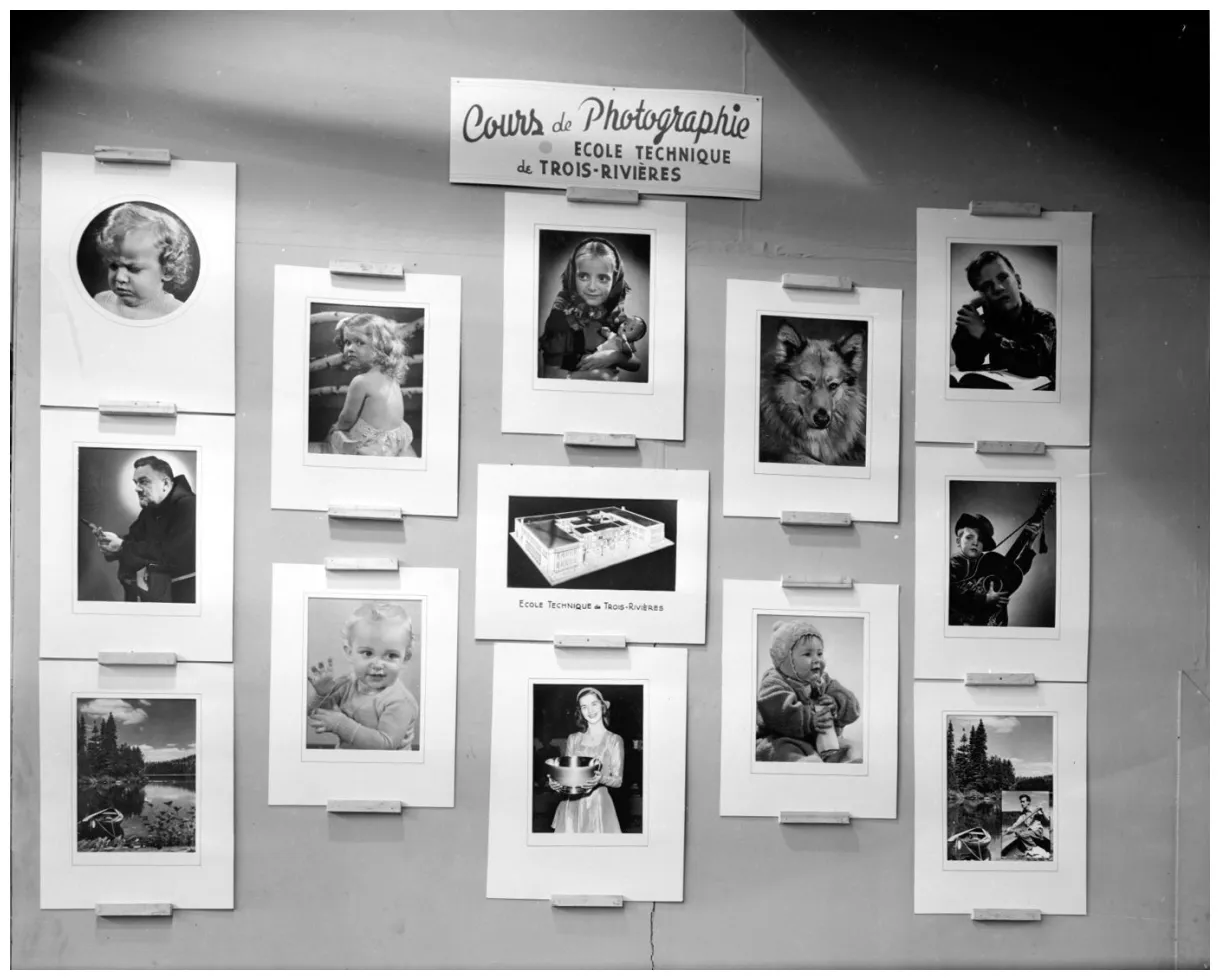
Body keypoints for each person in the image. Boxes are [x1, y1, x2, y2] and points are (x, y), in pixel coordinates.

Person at [306, 601, 419, 750]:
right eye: (367, 653)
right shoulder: (347, 684)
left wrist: (341, 724)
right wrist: (321, 694)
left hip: (388, 769)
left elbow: (386, 744)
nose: (378, 664)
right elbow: (316, 714)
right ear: (349, 652)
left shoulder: (399, 701)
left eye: (391, 655)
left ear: (405, 657)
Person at [90, 456, 196, 603]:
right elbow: (135, 541)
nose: (137, 488)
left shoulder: (190, 506)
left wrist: (122, 546)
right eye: (136, 482)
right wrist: (113, 543)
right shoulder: (150, 510)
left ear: (165, 483)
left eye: (144, 482)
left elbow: (173, 554)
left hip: (180, 598)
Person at [538, 236, 646, 380]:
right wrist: (598, 376)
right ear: (572, 277)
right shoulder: (561, 319)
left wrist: (614, 356)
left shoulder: (615, 316)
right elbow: (550, 376)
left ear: (615, 280)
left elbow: (635, 363)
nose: (592, 287)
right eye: (583, 276)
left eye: (602, 278)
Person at [755, 620, 861, 763]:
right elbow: (778, 710)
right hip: (783, 738)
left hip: (819, 742)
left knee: (848, 747)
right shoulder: (774, 681)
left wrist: (836, 704)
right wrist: (809, 720)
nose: (816, 660)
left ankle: (847, 762)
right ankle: (804, 764)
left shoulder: (822, 680)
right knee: (782, 750)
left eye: (819, 653)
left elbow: (852, 705)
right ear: (785, 658)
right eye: (807, 654)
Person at [950, 250, 1056, 388]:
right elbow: (966, 363)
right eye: (987, 286)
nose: (998, 288)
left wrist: (984, 334)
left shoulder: (1043, 319)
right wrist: (968, 316)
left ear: (1018, 281)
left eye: (1002, 277)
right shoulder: (990, 319)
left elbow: (1033, 363)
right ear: (983, 295)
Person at [326, 313, 417, 457]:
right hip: (396, 439)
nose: (350, 348)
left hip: (374, 446)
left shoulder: (360, 382)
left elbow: (347, 419)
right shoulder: (391, 377)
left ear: (380, 347)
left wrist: (336, 428)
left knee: (336, 436)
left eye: (359, 342)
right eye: (347, 342)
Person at [91, 202, 194, 320]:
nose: (120, 278)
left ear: (166, 271)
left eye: (133, 269)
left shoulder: (178, 314)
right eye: (114, 266)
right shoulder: (101, 302)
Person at [548, 687, 624, 833]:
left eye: (594, 704)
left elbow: (618, 780)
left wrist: (600, 779)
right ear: (580, 711)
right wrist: (557, 783)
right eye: (584, 706)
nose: (590, 710)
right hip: (570, 806)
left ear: (603, 706)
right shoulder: (573, 739)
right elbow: (568, 776)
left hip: (598, 807)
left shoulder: (614, 740)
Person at [948, 513, 1043, 627]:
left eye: (981, 539)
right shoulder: (952, 564)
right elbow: (951, 592)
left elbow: (1015, 571)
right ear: (958, 541)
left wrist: (1029, 545)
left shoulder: (989, 560)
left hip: (993, 624)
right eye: (969, 537)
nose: (975, 542)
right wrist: (984, 599)